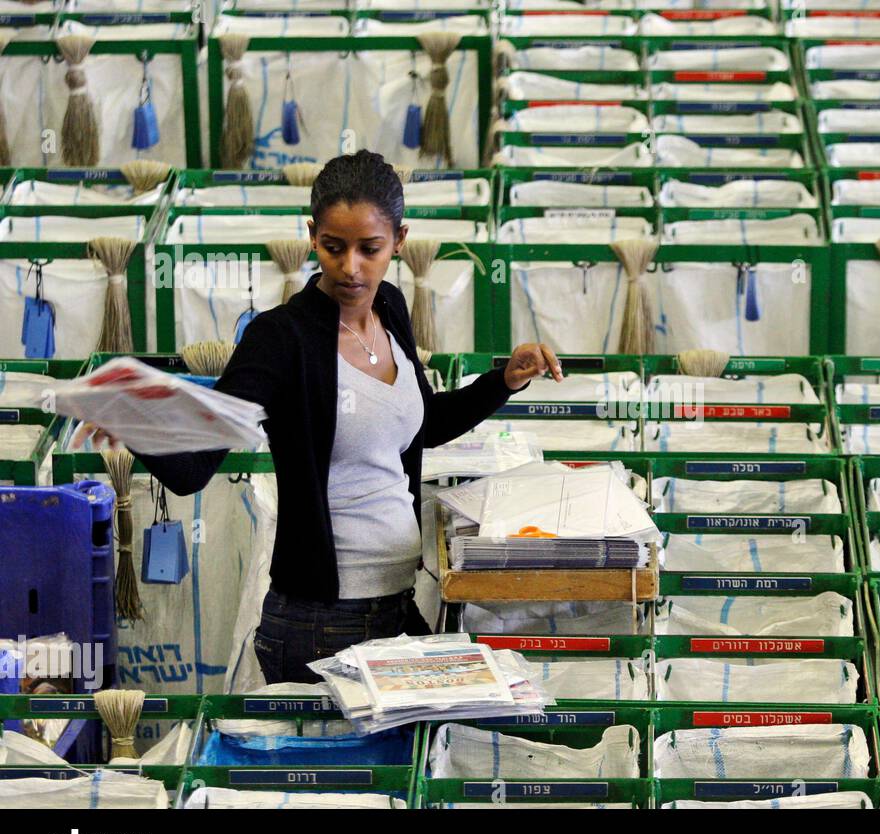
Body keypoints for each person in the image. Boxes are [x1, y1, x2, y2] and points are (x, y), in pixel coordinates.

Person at [73, 150, 563, 684]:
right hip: (319, 623)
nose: (350, 267)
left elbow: (424, 423)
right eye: (333, 247)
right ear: (311, 236)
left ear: (399, 241)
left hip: (396, 607)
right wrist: (132, 420)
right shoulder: (281, 338)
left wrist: (505, 381)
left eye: (369, 249)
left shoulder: (391, 309)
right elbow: (195, 466)